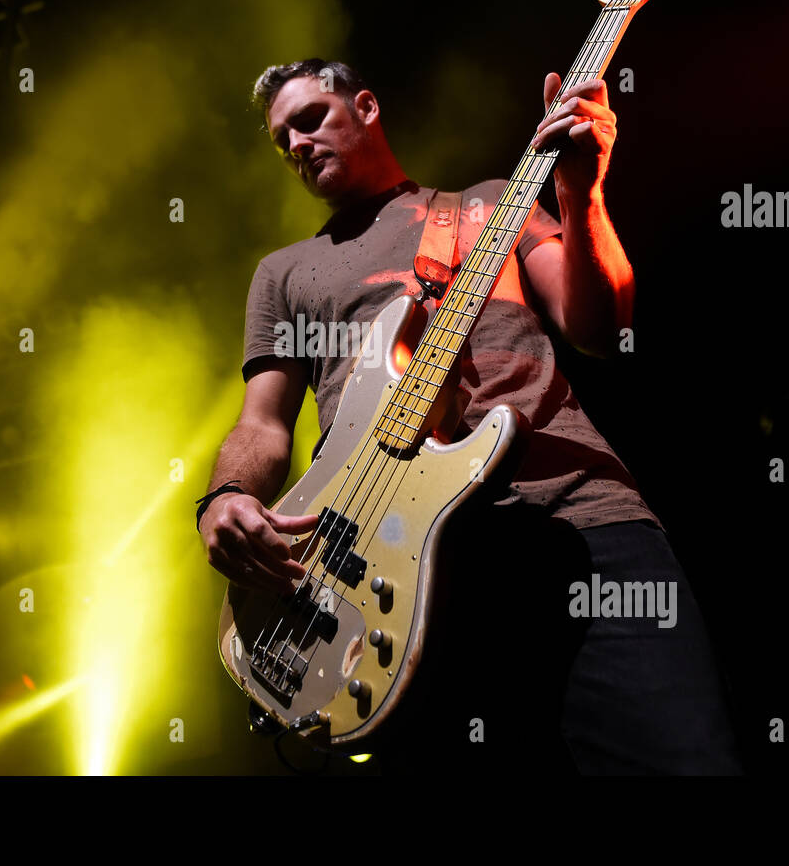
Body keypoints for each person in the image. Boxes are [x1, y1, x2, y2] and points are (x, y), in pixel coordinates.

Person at [198, 58, 742, 775]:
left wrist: (582, 191)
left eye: (310, 119)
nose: (296, 144)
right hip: (393, 568)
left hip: (577, 520)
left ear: (366, 107)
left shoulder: (490, 204)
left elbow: (599, 324)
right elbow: (264, 423)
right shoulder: (285, 273)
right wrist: (225, 496)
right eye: (281, 139)